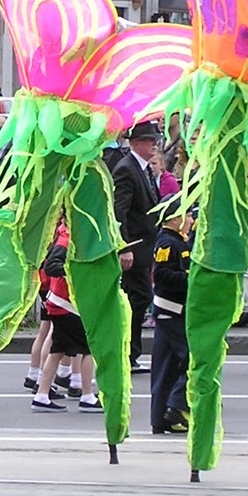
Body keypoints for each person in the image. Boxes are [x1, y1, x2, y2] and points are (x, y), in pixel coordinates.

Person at [30, 223, 99, 414]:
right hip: (65, 303)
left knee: (57, 349)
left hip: (61, 302)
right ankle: (86, 395)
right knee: (87, 348)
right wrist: (77, 270)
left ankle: (42, 395)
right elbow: (52, 266)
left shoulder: (72, 238)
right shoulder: (67, 240)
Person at [109, 119, 161, 372]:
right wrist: (124, 246)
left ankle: (132, 351)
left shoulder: (142, 168)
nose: (154, 145)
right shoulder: (126, 169)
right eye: (149, 140)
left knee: (139, 298)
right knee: (137, 298)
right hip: (135, 247)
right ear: (136, 143)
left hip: (144, 245)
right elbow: (120, 210)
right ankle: (128, 352)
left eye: (154, 140)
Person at [149, 203, 193, 433]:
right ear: (174, 219)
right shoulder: (167, 243)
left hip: (173, 310)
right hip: (170, 310)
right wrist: (192, 279)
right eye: (187, 216)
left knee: (166, 366)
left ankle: (161, 419)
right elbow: (163, 276)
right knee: (191, 356)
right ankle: (176, 405)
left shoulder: (177, 241)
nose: (190, 220)